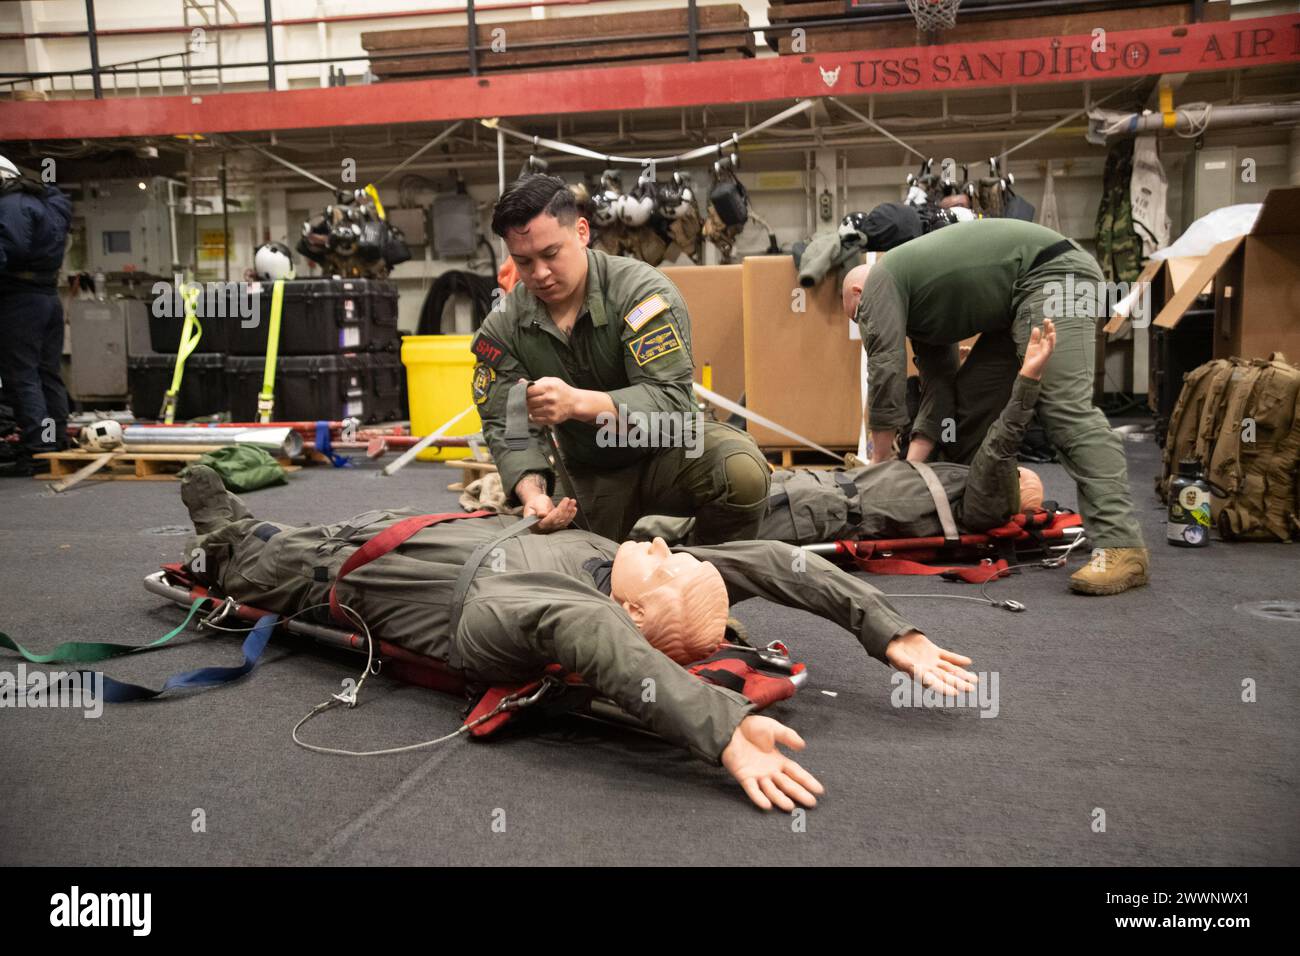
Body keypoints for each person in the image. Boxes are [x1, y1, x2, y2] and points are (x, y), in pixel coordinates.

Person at [179, 465, 978, 812]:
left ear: (634, 622)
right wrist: (890, 630)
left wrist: (724, 729)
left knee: (256, 552)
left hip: (336, 573)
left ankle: (225, 537)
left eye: (664, 571)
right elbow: (772, 560)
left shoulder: (525, 618)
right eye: (674, 556)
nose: (664, 550)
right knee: (328, 522)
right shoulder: (617, 561)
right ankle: (251, 530)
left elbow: (589, 631)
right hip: (414, 522)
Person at [843, 219, 1149, 595]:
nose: (865, 324)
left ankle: (1122, 543)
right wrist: (912, 468)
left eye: (858, 316)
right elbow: (938, 392)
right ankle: (970, 509)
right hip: (1014, 304)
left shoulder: (880, 281)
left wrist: (876, 471)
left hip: (1054, 275)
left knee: (1062, 407)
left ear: (859, 292)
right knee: (971, 401)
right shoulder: (920, 310)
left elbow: (885, 375)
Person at [471, 173, 770, 544]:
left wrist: (577, 403)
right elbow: (506, 424)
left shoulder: (640, 293)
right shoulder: (505, 324)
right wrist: (534, 497)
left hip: (670, 452)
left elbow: (673, 404)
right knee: (571, 576)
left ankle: (707, 575)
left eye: (551, 254)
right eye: (524, 262)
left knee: (741, 471)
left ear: (581, 231)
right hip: (590, 471)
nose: (540, 274)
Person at [0, 155, 72, 477]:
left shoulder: (11, 204)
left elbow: (10, 249)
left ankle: (39, 450)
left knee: (23, 375)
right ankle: (55, 440)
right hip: (47, 296)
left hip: (20, 300)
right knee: (47, 373)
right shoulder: (45, 200)